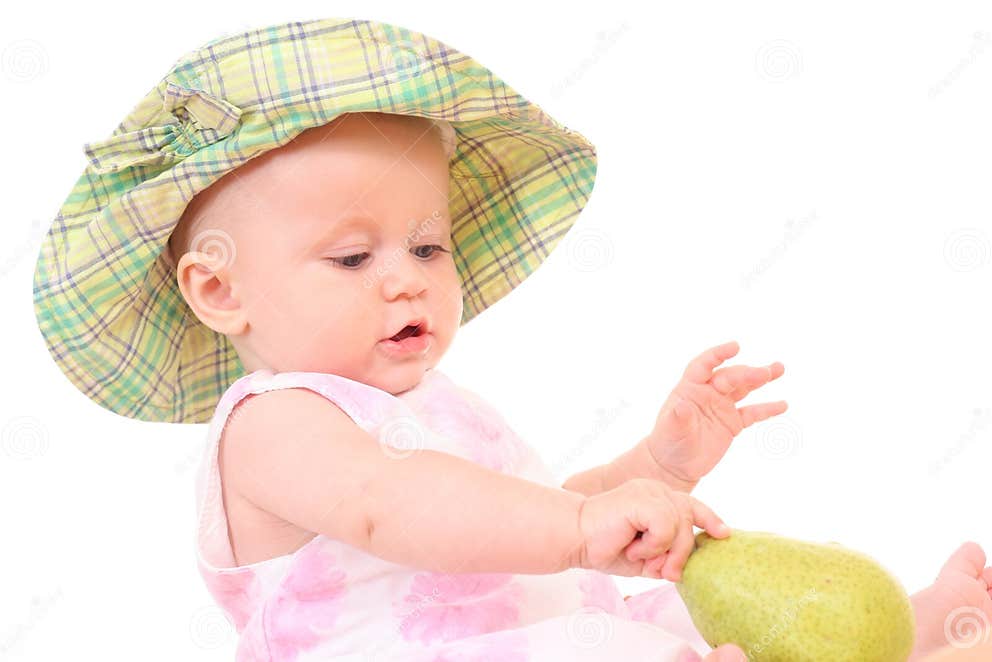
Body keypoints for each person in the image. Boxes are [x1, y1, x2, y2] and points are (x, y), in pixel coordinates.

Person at [32, 16, 991, 662]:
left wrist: (653, 465)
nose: (406, 277)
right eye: (352, 258)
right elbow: (388, 508)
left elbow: (520, 516)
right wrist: (579, 531)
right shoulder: (272, 426)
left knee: (680, 616)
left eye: (426, 244)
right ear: (219, 290)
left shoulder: (428, 406)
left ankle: (905, 632)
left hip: (532, 633)